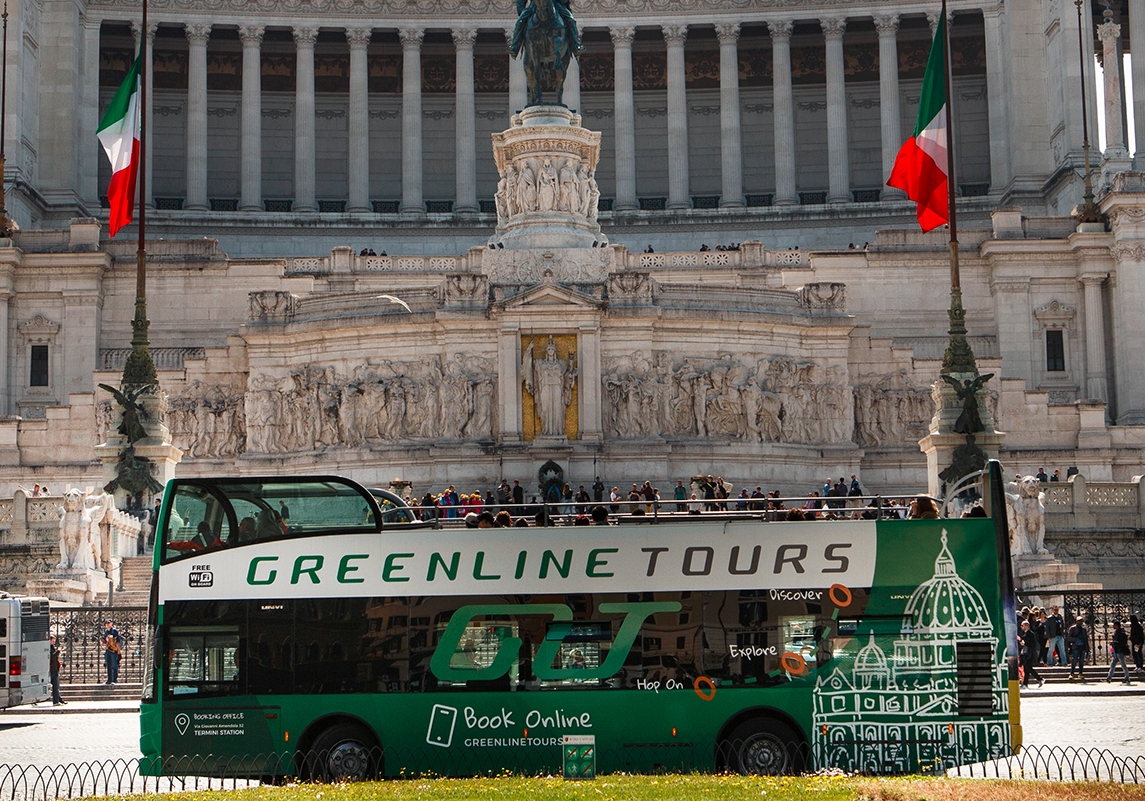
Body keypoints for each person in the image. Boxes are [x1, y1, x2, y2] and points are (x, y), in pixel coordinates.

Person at [1019, 620, 1044, 688]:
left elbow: (1032, 643)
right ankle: (1025, 683)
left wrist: (1024, 643)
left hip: (1030, 654)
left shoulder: (1030, 634)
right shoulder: (1026, 634)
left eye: (1022, 625)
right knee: (1026, 668)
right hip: (1027, 653)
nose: (1021, 627)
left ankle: (1039, 679)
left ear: (1026, 626)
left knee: (1028, 668)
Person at [1107, 619, 1132, 684]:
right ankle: (1109, 678)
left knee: (1123, 664)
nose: (1113, 626)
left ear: (1117, 625)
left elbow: (1121, 642)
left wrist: (1114, 643)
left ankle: (1127, 677)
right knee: (1112, 664)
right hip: (1116, 650)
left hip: (1120, 650)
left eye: (1114, 625)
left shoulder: (1121, 633)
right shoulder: (1117, 632)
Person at [1067, 616, 1089, 680]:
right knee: (1075, 660)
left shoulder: (1083, 630)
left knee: (1081, 661)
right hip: (1076, 646)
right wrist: (1076, 639)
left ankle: (1080, 673)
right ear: (1076, 621)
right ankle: (1072, 673)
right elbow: (1069, 638)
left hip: (1082, 647)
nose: (1080, 622)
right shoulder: (1072, 629)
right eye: (1079, 621)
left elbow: (1086, 640)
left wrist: (1087, 649)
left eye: (1081, 621)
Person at [103, 620, 123, 685]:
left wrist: (112, 638)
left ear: (111, 623)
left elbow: (118, 640)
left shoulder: (114, 631)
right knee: (108, 665)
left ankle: (114, 679)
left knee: (114, 665)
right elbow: (104, 640)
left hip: (114, 650)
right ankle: (109, 680)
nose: (107, 624)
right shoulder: (106, 632)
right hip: (108, 650)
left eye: (108, 623)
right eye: (106, 623)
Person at [49, 634, 65, 705]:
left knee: (57, 685)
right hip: (52, 668)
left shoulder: (52, 647)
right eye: (52, 641)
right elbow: (52, 657)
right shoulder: (49, 648)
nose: (53, 642)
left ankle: (59, 699)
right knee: (55, 685)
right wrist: (58, 651)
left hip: (55, 668)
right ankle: (56, 701)